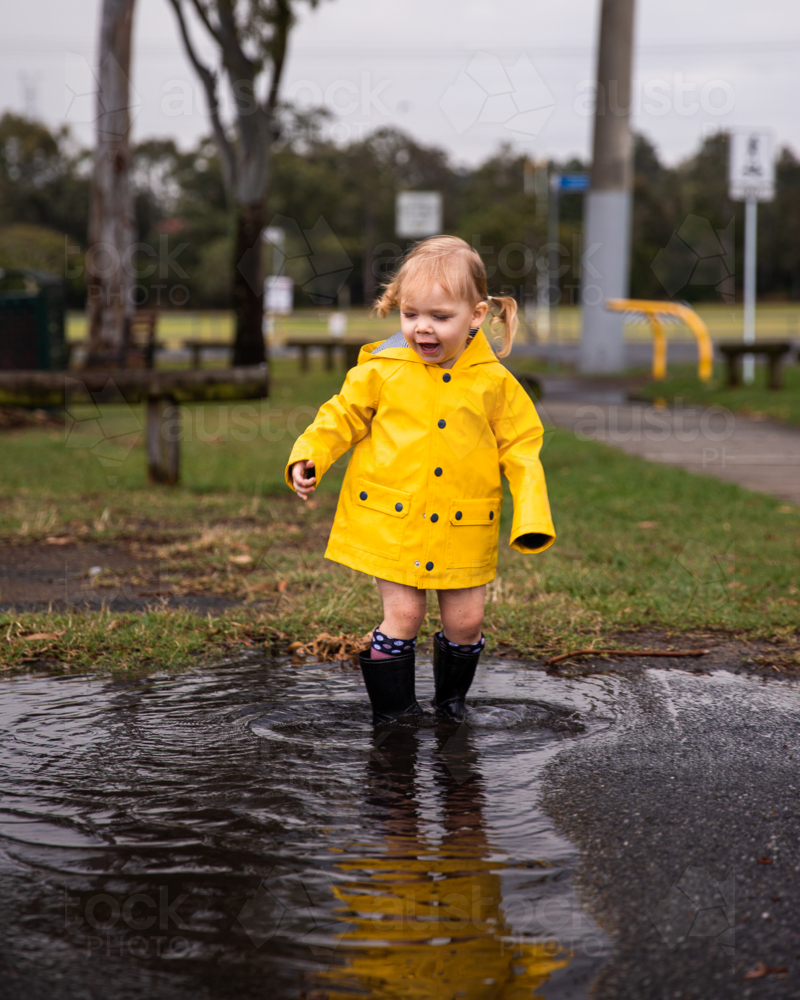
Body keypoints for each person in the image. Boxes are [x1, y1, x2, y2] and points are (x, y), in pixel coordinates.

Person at [286, 235, 555, 724]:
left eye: (439, 317)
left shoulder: (495, 383)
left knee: (466, 621)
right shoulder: (381, 370)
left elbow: (522, 447)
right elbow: (339, 417)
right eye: (411, 315)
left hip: (464, 522)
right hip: (395, 518)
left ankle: (450, 706)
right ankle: (395, 716)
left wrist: (531, 516)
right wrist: (310, 456)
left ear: (475, 315)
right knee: (404, 616)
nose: (422, 329)